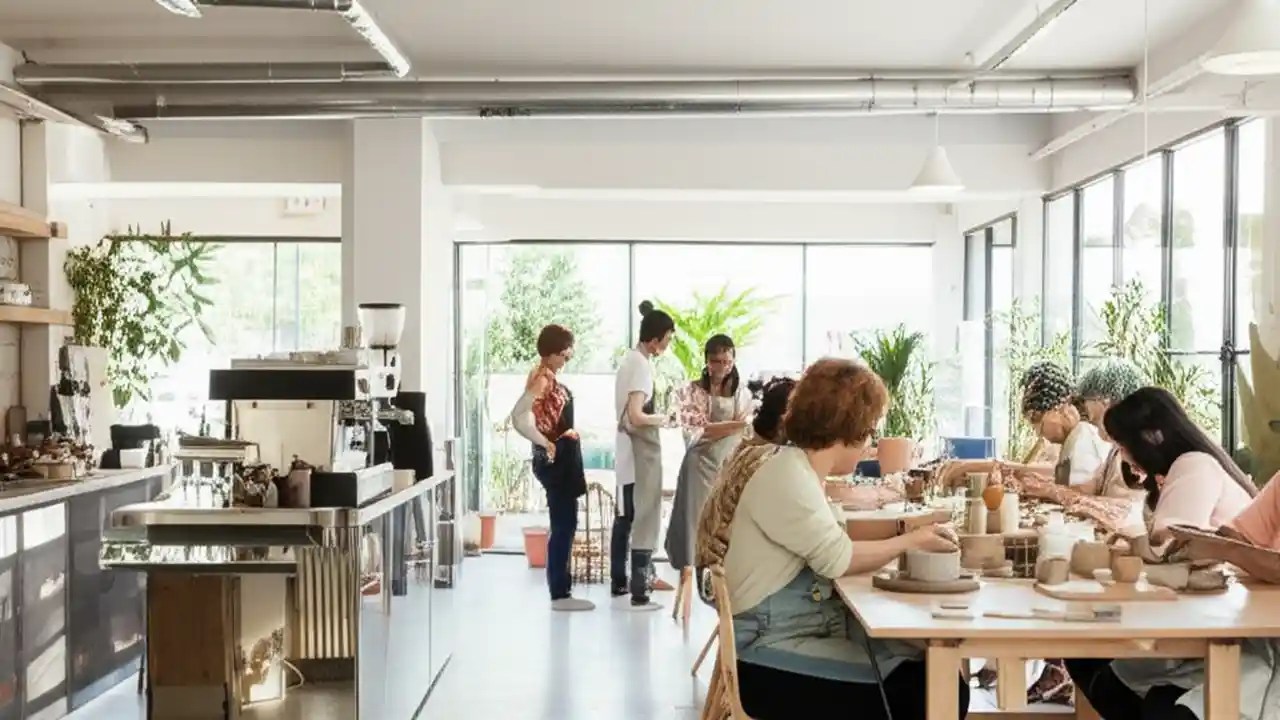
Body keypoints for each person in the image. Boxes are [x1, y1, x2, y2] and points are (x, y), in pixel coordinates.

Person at [720, 358, 968, 719]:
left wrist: (912, 529)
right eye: (869, 432)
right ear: (848, 430)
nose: (870, 443)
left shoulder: (797, 470)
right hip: (765, 654)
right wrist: (913, 541)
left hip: (796, 632)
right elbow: (837, 559)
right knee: (926, 689)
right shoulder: (786, 476)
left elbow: (833, 539)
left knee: (929, 671)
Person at [1067, 386, 1259, 719]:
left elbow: (1170, 541)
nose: (1124, 456)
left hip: (1226, 622)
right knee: (1085, 653)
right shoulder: (1188, 465)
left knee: (1092, 660)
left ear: (1152, 436)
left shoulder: (1194, 464)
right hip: (1206, 609)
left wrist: (1124, 541)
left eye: (1125, 445)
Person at [508, 324, 591, 612]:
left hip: (558, 456)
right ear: (554, 351)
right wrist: (545, 442)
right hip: (556, 460)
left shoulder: (544, 375)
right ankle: (560, 592)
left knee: (565, 523)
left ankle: (561, 589)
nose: (568, 355)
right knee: (564, 524)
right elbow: (519, 416)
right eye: (565, 351)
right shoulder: (542, 379)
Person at [664, 335, 751, 583]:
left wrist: (727, 426)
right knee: (695, 517)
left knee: (725, 519)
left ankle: (721, 574)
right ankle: (690, 570)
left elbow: (746, 427)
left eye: (726, 361)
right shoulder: (693, 390)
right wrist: (735, 424)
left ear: (733, 361)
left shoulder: (741, 392)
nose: (721, 366)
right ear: (707, 361)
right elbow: (701, 428)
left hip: (728, 463)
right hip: (699, 462)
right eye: (716, 361)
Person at [610, 300, 676, 609]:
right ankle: (640, 589)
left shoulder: (630, 360)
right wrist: (662, 418)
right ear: (656, 338)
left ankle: (621, 582)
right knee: (644, 518)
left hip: (627, 455)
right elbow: (636, 416)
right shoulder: (639, 365)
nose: (667, 344)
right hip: (638, 457)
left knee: (627, 519)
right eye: (667, 339)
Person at [695, 375, 795, 574]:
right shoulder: (767, 459)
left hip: (712, 567)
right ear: (785, 420)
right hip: (724, 573)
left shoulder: (749, 446)